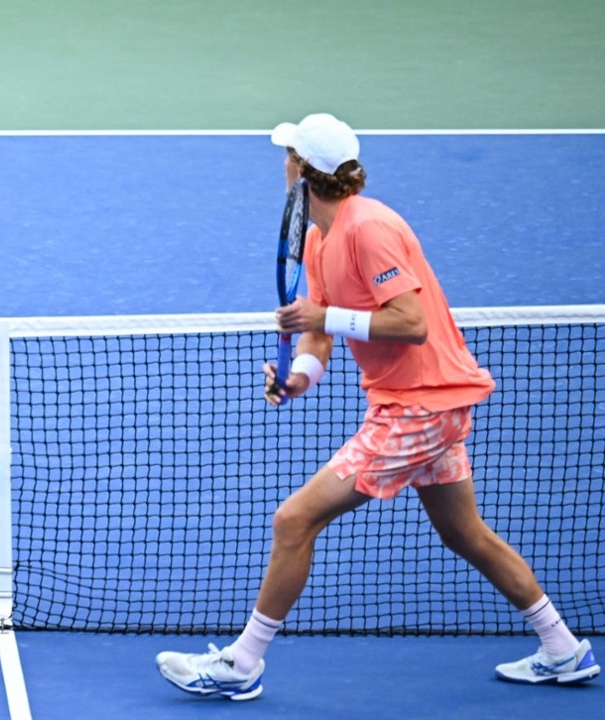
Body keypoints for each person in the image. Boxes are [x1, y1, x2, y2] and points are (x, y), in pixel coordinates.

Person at [155, 113, 599, 700]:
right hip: (415, 402)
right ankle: (563, 648)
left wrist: (323, 317)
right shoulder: (316, 238)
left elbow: (409, 323)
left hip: (422, 407)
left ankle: (242, 664)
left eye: (287, 155)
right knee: (464, 533)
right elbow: (318, 338)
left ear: (303, 170)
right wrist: (298, 378)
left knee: (293, 520)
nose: (281, 163)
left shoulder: (371, 228)